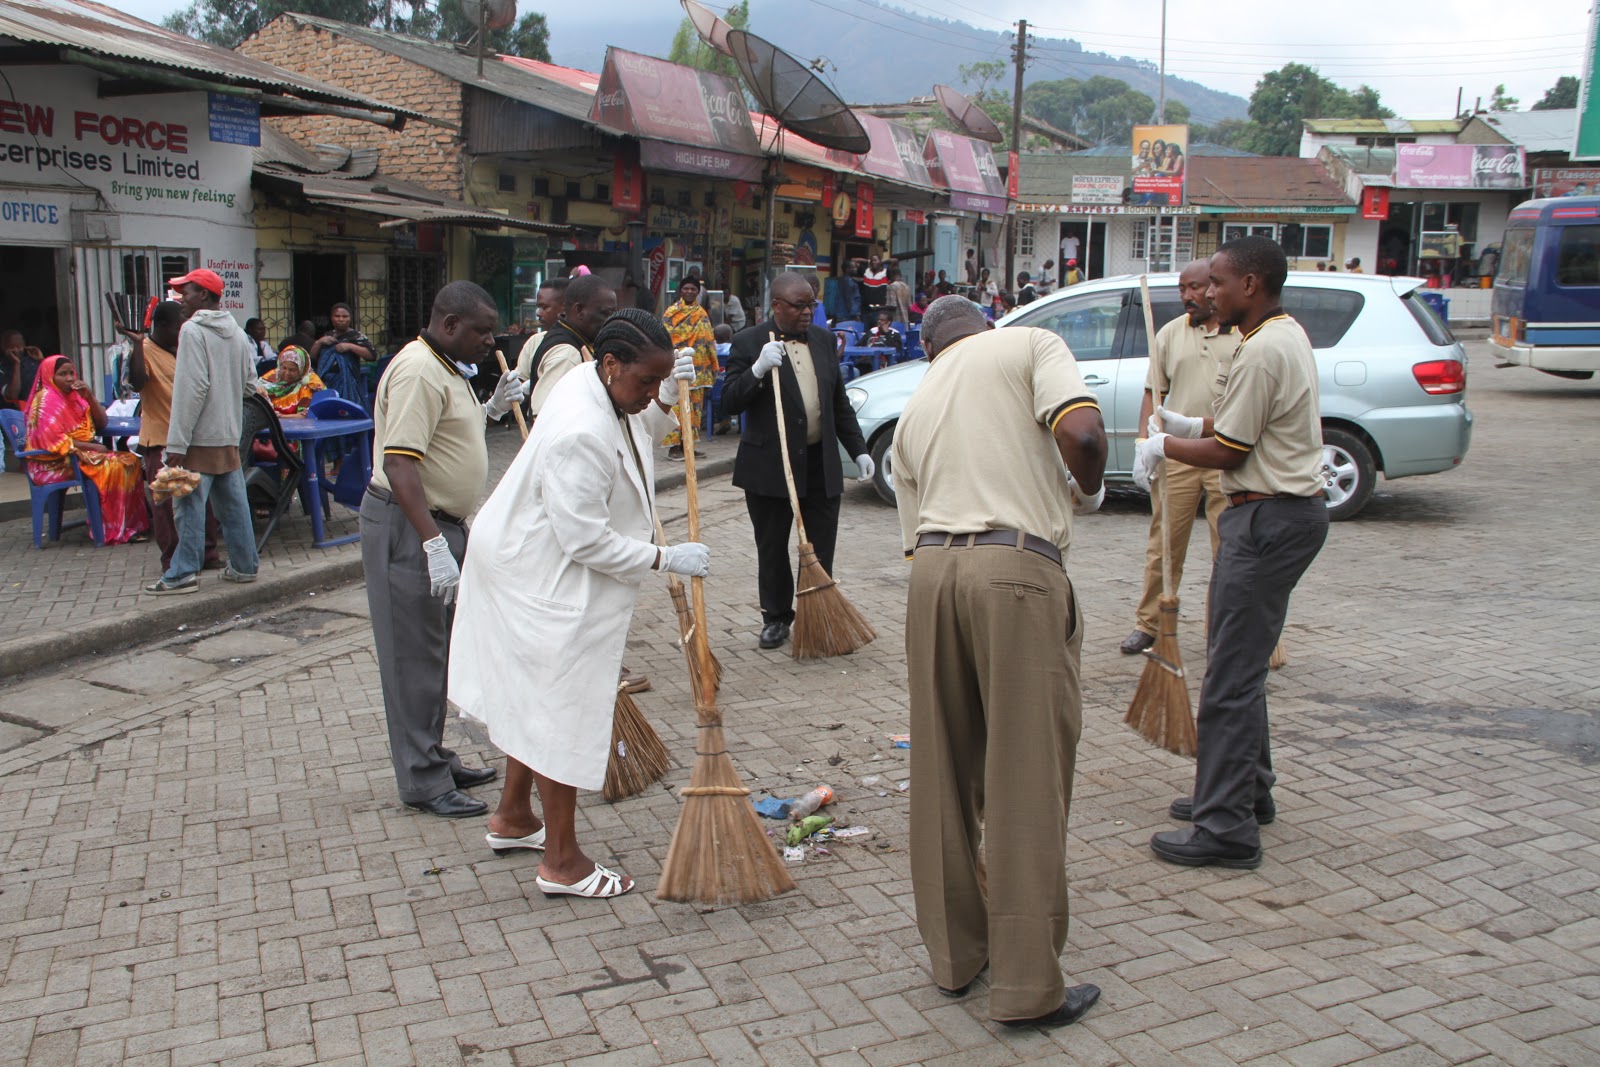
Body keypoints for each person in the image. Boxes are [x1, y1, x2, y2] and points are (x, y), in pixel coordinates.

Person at [892, 295, 1107, 1029]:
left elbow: (912, 531)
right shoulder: (1029, 345)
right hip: (1014, 570)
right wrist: (1091, 484)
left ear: (930, 347)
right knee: (1025, 774)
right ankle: (1026, 988)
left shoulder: (917, 401)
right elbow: (1080, 429)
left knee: (943, 771)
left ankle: (957, 957)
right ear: (984, 324)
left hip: (931, 578)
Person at [448, 311, 703, 898]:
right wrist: (667, 559)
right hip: (534, 577)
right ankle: (561, 863)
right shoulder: (580, 427)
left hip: (531, 563)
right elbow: (585, 540)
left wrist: (664, 397)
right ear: (611, 365)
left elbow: (635, 441)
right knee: (557, 711)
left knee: (531, 699)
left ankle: (514, 818)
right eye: (644, 382)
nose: (645, 395)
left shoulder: (598, 387)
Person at [1134, 237, 1329, 869]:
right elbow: (1231, 430)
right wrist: (1185, 427)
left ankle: (1227, 828)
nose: (1206, 292)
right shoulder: (1276, 334)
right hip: (1277, 515)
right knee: (1237, 665)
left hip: (1267, 517)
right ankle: (1244, 792)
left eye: (1217, 282)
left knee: (1230, 679)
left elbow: (1230, 453)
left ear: (1250, 284)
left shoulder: (1265, 347)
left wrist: (1163, 449)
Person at [359, 280, 529, 819]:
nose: (489, 341)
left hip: (440, 524)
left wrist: (492, 409)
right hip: (411, 528)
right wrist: (432, 543)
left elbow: (446, 437)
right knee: (412, 657)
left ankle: (433, 755)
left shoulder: (448, 368)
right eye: (482, 331)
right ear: (450, 324)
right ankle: (422, 780)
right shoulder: (418, 370)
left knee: (436, 652)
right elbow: (400, 462)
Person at [721, 272, 872, 651]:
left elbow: (837, 402)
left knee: (821, 547)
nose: (808, 312)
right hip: (771, 464)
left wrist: (859, 449)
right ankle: (775, 617)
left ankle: (817, 612)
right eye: (799, 305)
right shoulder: (749, 342)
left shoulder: (823, 340)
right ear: (776, 306)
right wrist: (757, 370)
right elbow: (728, 402)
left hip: (820, 462)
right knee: (772, 547)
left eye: (812, 305)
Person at [1120, 260, 1240, 656]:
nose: (1188, 296)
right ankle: (1149, 623)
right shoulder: (1170, 333)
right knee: (1164, 544)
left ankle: (1226, 630)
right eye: (1182, 288)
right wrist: (1143, 443)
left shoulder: (1242, 334)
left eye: (1196, 287)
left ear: (1216, 287)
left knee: (1231, 547)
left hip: (1227, 453)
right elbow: (1154, 392)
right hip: (1179, 455)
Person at [143, 269, 261, 593]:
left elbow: (190, 389)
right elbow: (251, 384)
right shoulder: (236, 332)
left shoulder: (193, 330)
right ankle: (244, 565)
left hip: (198, 435)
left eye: (188, 292)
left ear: (205, 296)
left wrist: (176, 443)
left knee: (189, 506)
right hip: (227, 433)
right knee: (234, 505)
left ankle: (182, 573)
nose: (182, 299)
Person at [125, 300, 221, 573]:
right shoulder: (145, 350)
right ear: (164, 326)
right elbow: (137, 382)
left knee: (204, 500)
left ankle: (208, 552)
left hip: (193, 437)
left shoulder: (184, 349)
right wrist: (136, 345)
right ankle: (173, 559)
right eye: (179, 326)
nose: (184, 331)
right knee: (167, 505)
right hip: (161, 439)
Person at [24, 354, 151, 544]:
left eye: (71, 373)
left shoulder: (74, 397)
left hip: (78, 455)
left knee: (130, 460)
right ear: (50, 376)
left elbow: (102, 422)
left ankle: (128, 524)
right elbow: (52, 441)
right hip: (52, 463)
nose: (69, 378)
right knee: (112, 466)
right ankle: (110, 529)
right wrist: (93, 446)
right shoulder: (45, 401)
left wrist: (89, 397)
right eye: (62, 374)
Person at [528, 274, 616, 418]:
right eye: (605, 313)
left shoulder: (576, 340)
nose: (610, 320)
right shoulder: (567, 353)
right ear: (579, 310)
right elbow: (545, 414)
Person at [662, 274, 717, 460]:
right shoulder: (671, 313)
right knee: (677, 408)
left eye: (693, 289)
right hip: (677, 368)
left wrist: (712, 365)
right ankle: (674, 448)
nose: (690, 292)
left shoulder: (702, 314)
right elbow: (664, 338)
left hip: (698, 371)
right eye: (686, 288)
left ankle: (689, 447)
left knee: (694, 410)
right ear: (681, 290)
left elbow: (709, 340)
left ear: (698, 292)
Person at [309, 303, 377, 408]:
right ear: (331, 318)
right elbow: (312, 357)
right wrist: (320, 342)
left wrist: (350, 347)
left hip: (348, 383)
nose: (341, 319)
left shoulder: (356, 336)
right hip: (327, 382)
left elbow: (372, 355)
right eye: (337, 316)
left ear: (350, 319)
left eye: (345, 316)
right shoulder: (328, 335)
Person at [515, 277, 568, 381]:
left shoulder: (577, 345)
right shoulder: (534, 342)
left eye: (544, 307)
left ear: (564, 308)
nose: (538, 313)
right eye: (538, 307)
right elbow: (520, 380)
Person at [260, 345, 326, 416]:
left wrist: (280, 417)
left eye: (292, 370)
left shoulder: (310, 384)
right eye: (284, 368)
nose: (287, 373)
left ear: (301, 369)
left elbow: (307, 416)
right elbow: (256, 389)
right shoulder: (274, 376)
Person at [1, 329, 42, 410]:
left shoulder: (32, 362)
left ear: (24, 346)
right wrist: (17, 364)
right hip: (16, 416)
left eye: (19, 347)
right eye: (11, 347)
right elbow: (12, 395)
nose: (16, 350)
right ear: (4, 348)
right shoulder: (2, 369)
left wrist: (41, 360)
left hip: (38, 412)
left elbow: (51, 382)